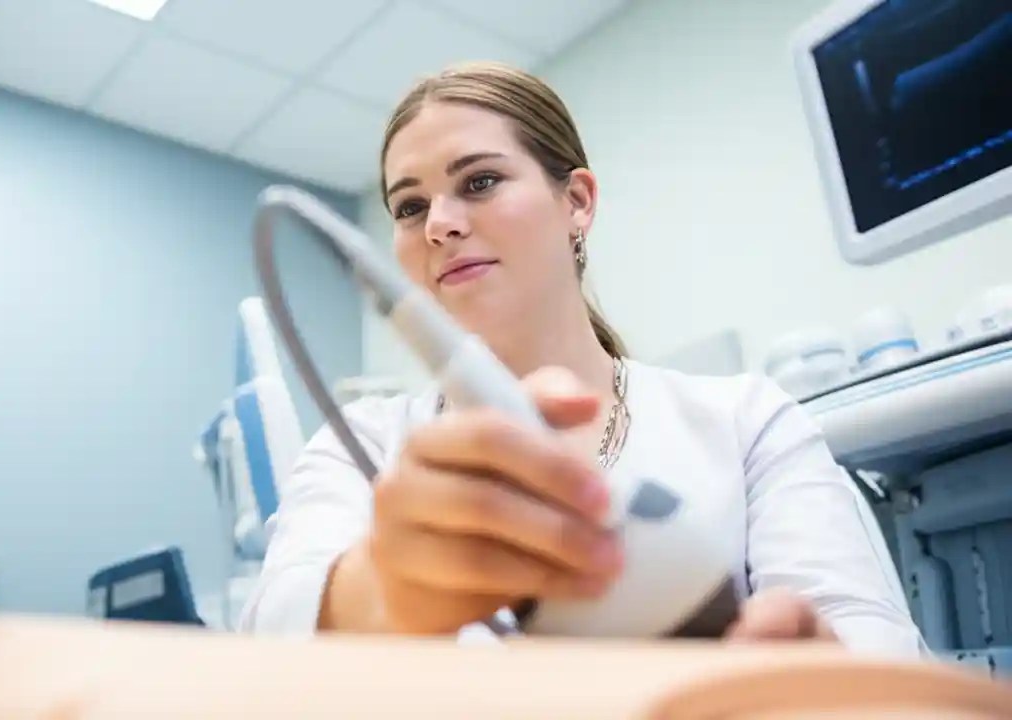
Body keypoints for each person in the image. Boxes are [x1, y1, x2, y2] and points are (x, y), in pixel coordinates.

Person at [238, 61, 926, 657]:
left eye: (479, 182)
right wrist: (384, 589)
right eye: (410, 207)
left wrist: (817, 674)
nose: (439, 224)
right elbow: (275, 632)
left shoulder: (747, 421)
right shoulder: (361, 444)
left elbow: (873, 645)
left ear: (576, 202)